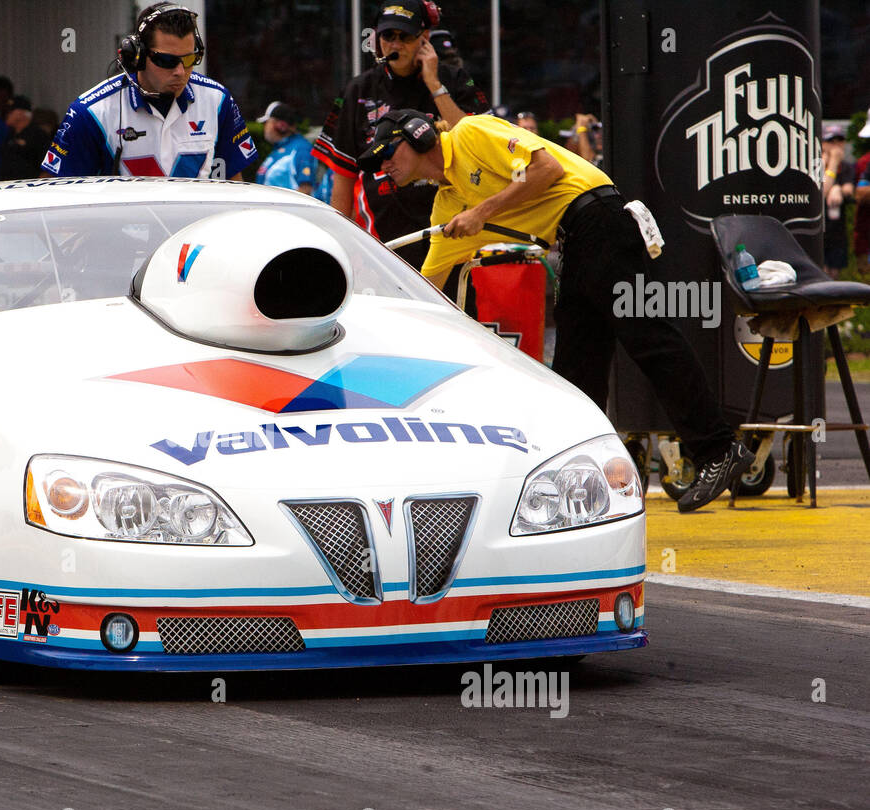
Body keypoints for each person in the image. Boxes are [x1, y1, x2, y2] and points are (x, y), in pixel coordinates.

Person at [358, 108, 753, 512]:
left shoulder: (470, 134)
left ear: (419, 136)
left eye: (387, 153)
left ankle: (718, 449)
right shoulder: (447, 207)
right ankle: (583, 482)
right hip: (576, 240)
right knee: (577, 371)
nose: (383, 166)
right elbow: (427, 284)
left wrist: (482, 211)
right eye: (377, 162)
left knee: (649, 338)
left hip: (598, 220)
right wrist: (378, 321)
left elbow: (546, 168)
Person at [311, 0, 488, 269]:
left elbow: (479, 141)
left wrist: (434, 85)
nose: (395, 45)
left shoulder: (456, 80)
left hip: (453, 233)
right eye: (387, 36)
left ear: (424, 38)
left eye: (404, 36)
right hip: (381, 244)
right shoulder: (358, 90)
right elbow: (344, 176)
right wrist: (343, 245)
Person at [42, 2, 256, 180]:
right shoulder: (92, 112)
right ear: (137, 57)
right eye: (166, 60)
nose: (180, 72)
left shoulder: (218, 101)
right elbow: (56, 196)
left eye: (191, 59)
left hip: (193, 231)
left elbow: (234, 186)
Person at [255, 101, 314, 194]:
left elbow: (306, 189)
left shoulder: (301, 149)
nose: (264, 128)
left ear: (281, 125)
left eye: (266, 123)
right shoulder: (279, 149)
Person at [822, 124, 855, 277]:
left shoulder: (847, 167)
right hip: (820, 227)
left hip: (836, 228)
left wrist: (838, 189)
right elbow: (822, 191)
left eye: (839, 141)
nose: (836, 146)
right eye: (831, 141)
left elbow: (849, 189)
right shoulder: (818, 164)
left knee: (834, 272)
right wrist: (833, 163)